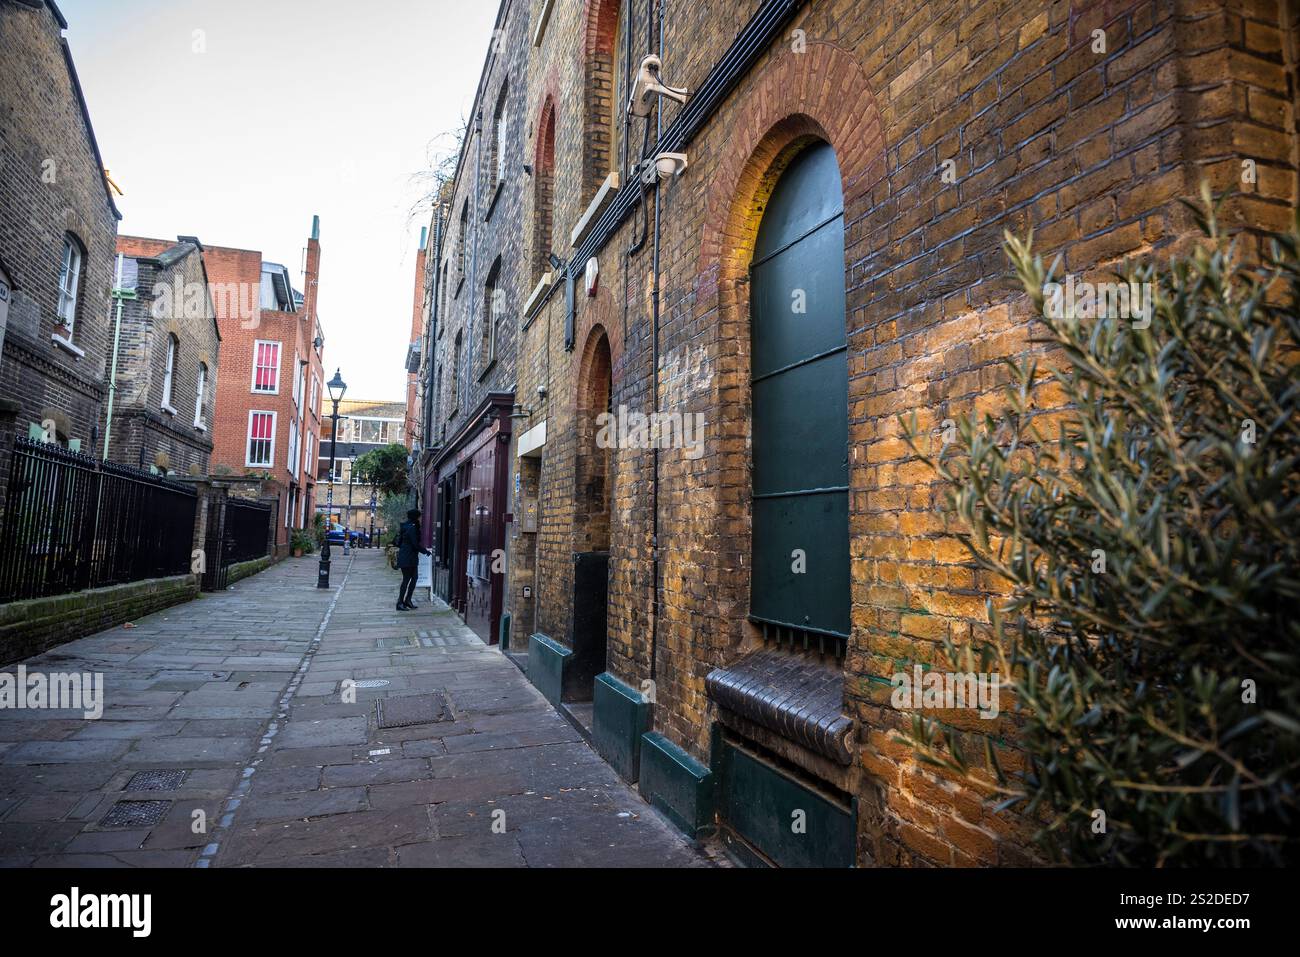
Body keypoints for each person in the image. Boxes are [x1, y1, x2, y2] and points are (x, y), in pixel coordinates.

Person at [396, 509, 430, 611]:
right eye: (419, 516)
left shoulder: (406, 526)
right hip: (408, 556)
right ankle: (400, 602)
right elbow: (415, 544)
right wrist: (425, 551)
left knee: (414, 578)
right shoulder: (412, 527)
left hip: (407, 555)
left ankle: (407, 600)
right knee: (407, 579)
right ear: (416, 517)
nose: (420, 518)